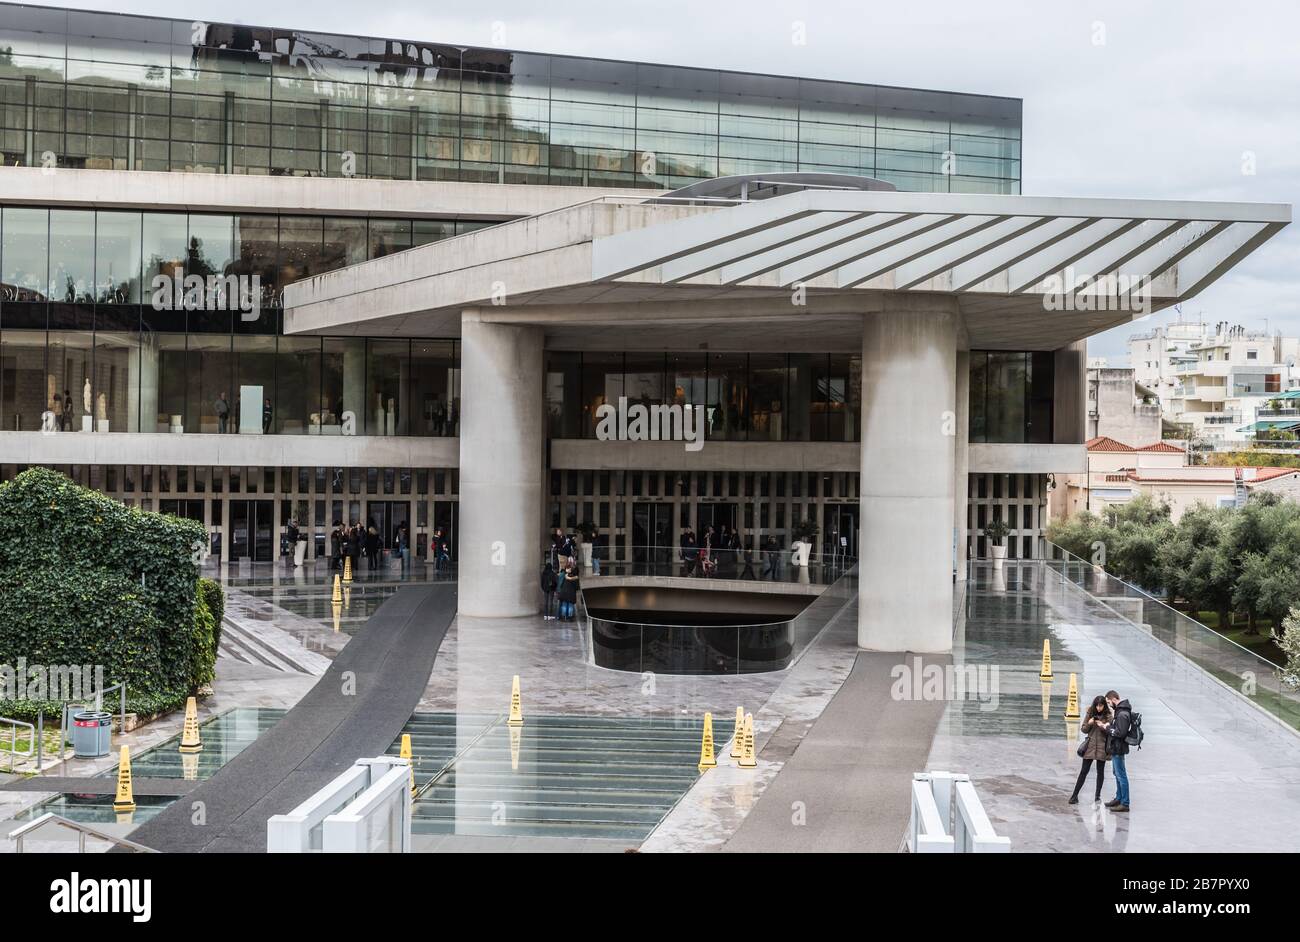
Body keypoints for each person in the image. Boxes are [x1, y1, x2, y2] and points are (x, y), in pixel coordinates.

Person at [1069, 695, 1112, 804]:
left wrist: (1102, 725)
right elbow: (1083, 729)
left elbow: (1110, 731)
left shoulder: (1108, 715)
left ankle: (1097, 796)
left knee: (1100, 772)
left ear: (1104, 706)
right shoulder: (1090, 713)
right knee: (1084, 771)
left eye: (1101, 706)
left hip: (1102, 747)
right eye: (1097, 706)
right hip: (1090, 746)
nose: (1098, 708)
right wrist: (1089, 723)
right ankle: (1074, 795)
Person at [1100, 690, 1134, 813]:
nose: (1109, 705)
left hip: (1119, 748)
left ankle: (1125, 803)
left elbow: (1120, 733)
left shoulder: (1122, 714)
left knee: (1121, 775)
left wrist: (1107, 727)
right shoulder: (1120, 712)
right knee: (1117, 774)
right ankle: (1119, 798)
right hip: (1116, 748)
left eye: (1109, 702)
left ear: (1114, 699)